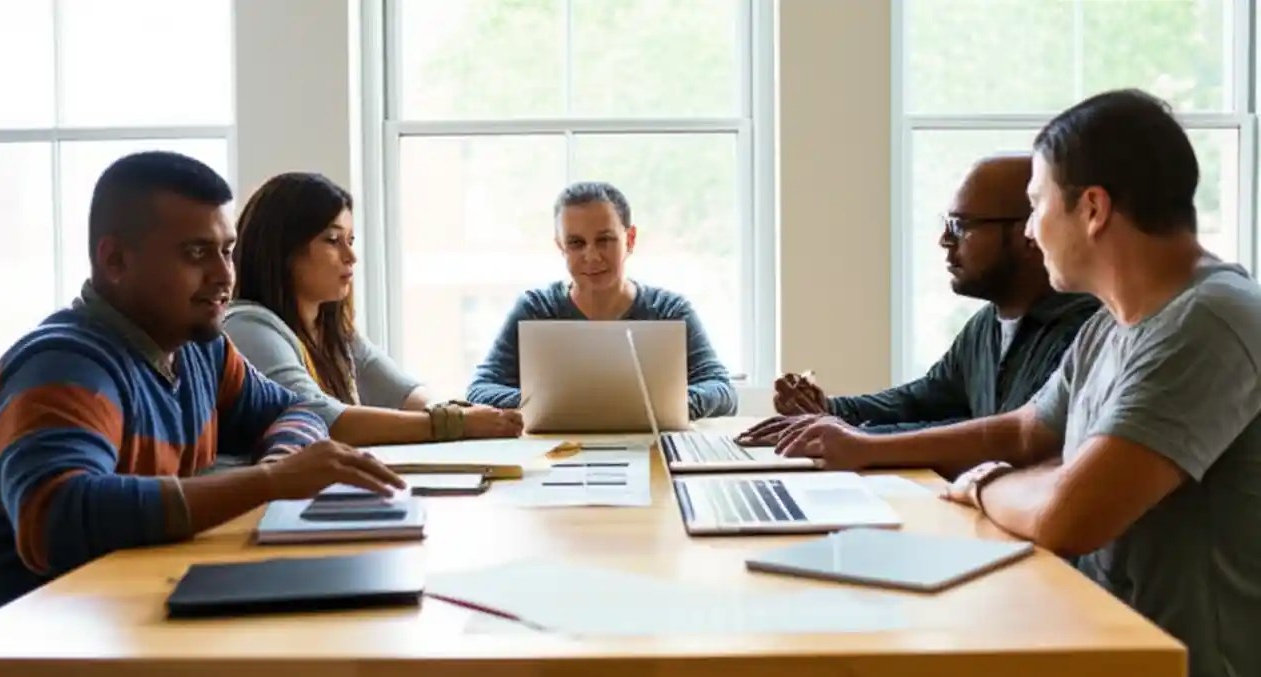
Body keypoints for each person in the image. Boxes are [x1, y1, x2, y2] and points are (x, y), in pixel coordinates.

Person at [773, 90, 1261, 677]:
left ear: (1092, 209)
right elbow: (1026, 430)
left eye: (1035, 205)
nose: (1031, 230)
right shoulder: (1111, 327)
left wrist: (982, 486)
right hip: (1082, 654)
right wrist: (866, 448)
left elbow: (1068, 515)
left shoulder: (1212, 322)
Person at [0, 152, 405, 618]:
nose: (224, 277)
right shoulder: (64, 366)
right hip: (32, 653)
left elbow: (294, 411)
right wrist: (270, 482)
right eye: (197, 253)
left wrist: (283, 463)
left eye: (227, 251)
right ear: (115, 260)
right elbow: (57, 517)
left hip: (129, 616)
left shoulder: (201, 350)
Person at [741, 154, 1099, 447]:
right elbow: (923, 400)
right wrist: (829, 411)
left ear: (1029, 230)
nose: (944, 240)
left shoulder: (1083, 330)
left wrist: (855, 438)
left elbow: (1002, 439)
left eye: (961, 225)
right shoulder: (985, 324)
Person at [225, 172, 522, 446]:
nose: (351, 256)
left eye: (350, 240)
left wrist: (468, 417)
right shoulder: (247, 328)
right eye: (332, 240)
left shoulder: (332, 332)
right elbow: (323, 419)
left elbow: (405, 394)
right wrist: (456, 424)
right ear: (282, 248)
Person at [466, 181, 738, 420]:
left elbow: (722, 389)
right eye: (576, 243)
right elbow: (480, 390)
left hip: (652, 452)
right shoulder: (535, 309)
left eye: (605, 240)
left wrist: (667, 406)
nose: (592, 256)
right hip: (556, 455)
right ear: (561, 247)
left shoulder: (669, 311)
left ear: (629, 240)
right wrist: (548, 406)